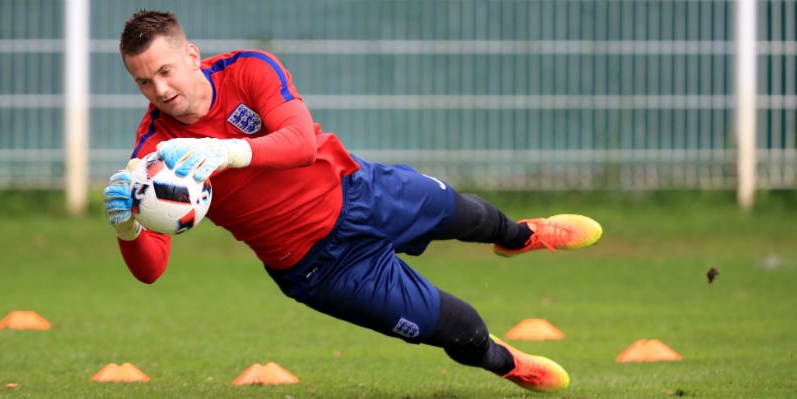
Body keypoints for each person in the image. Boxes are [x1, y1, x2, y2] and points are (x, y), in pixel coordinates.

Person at [103, 10, 603, 393]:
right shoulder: (152, 155)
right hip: (321, 268)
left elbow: (298, 142)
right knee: (459, 327)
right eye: (143, 81)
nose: (159, 90)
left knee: (472, 215)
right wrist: (128, 228)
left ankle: (521, 237)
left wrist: (225, 151)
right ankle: (507, 363)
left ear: (191, 55)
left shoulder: (247, 69)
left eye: (165, 71)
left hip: (359, 189)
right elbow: (152, 270)